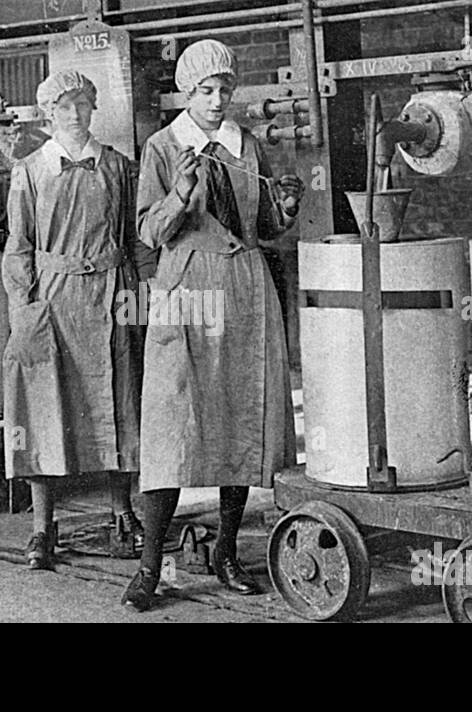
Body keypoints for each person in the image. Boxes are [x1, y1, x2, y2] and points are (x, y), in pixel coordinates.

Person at [122, 39, 305, 611]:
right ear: (186, 91)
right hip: (185, 291)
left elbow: (266, 224)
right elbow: (148, 233)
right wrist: (178, 195)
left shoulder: (246, 146)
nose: (218, 100)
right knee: (171, 425)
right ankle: (151, 567)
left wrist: (289, 207)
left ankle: (226, 552)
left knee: (238, 418)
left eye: (225, 89)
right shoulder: (161, 147)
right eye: (206, 91)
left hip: (245, 288)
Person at [2, 70, 153, 570]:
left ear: (94, 109)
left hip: (113, 296)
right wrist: (23, 312)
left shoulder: (117, 167)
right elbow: (18, 249)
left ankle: (122, 512)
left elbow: (136, 240)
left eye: (83, 104)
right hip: (54, 302)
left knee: (120, 403)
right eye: (64, 106)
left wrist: (143, 299)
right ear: (48, 113)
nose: (74, 114)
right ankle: (42, 527)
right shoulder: (30, 172)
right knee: (45, 408)